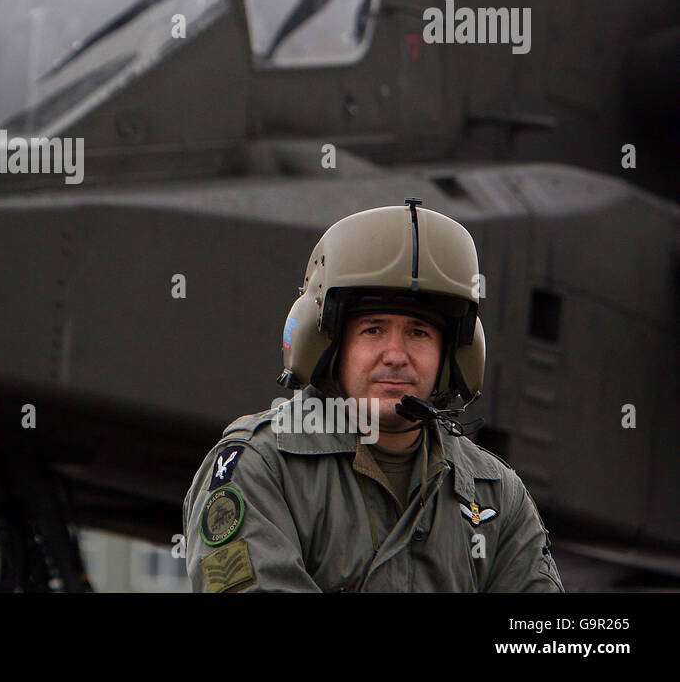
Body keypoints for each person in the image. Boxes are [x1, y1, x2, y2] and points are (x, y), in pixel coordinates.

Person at [183, 199, 563, 592]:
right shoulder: (261, 467)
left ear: (451, 358)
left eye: (419, 332)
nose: (396, 356)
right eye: (373, 330)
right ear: (328, 346)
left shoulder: (496, 495)